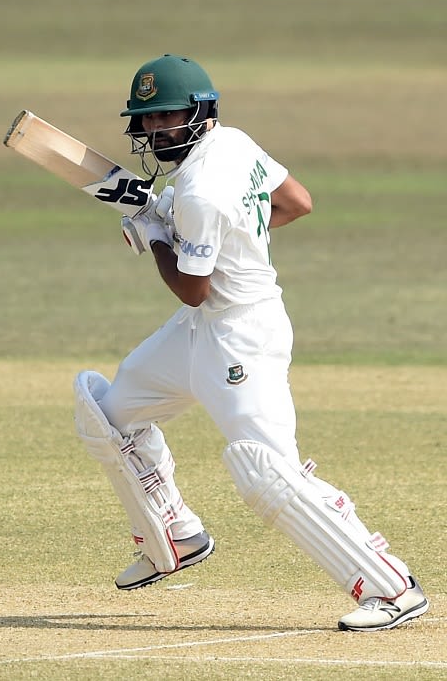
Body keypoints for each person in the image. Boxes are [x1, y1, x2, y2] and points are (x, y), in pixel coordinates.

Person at [74, 53, 427, 632]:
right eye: (150, 119)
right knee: (107, 416)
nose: (157, 130)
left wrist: (161, 233)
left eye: (169, 117)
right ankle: (176, 538)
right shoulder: (233, 144)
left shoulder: (198, 192)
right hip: (203, 330)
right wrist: (205, 232)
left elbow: (191, 288)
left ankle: (390, 586)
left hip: (239, 336)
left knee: (266, 469)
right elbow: (295, 203)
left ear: (202, 112)